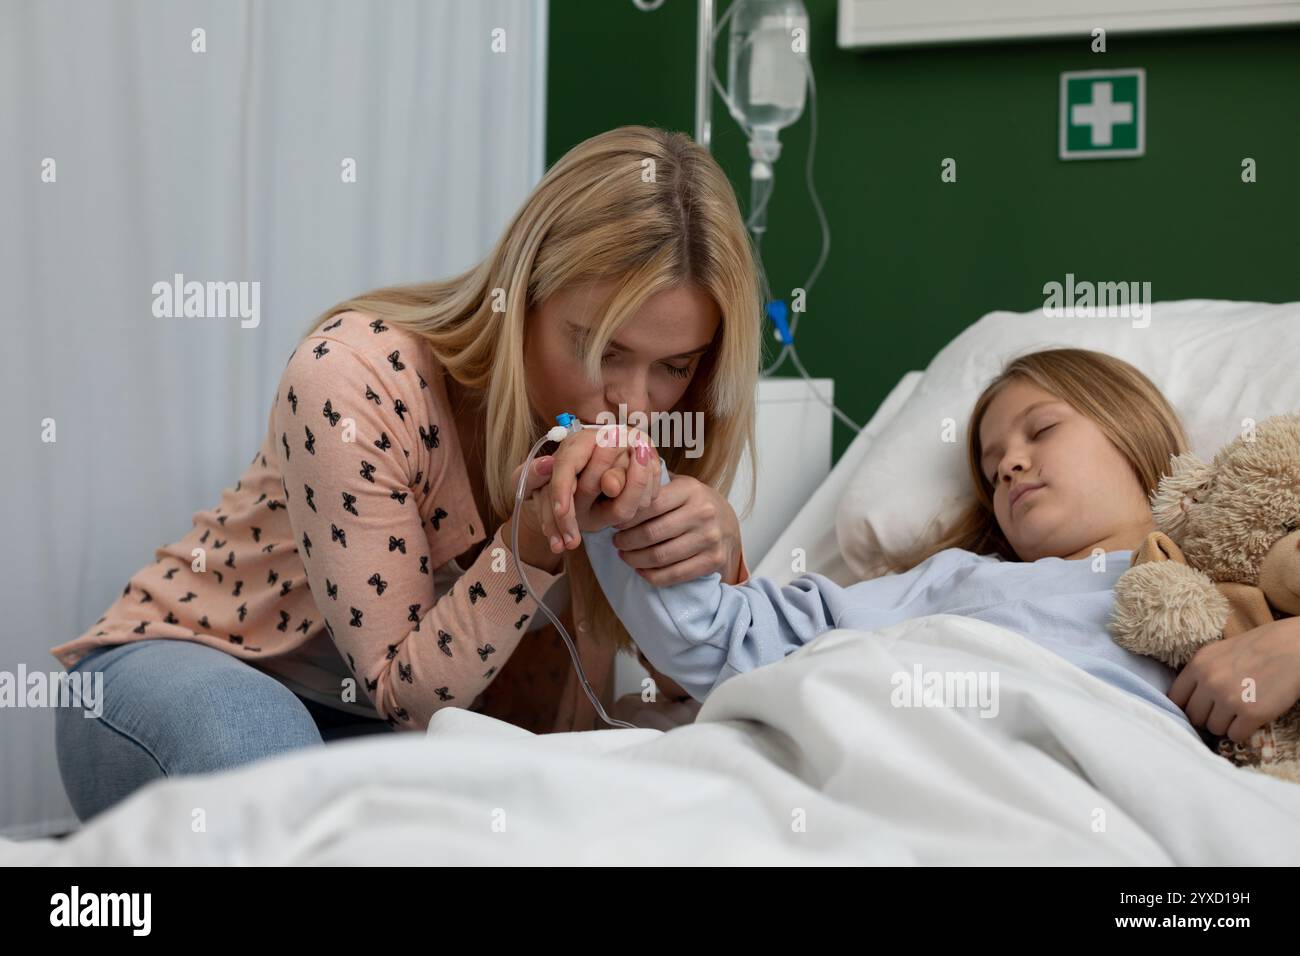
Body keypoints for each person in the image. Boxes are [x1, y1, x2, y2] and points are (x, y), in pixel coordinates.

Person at [52, 125, 765, 822]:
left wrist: (712, 559)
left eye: (673, 367)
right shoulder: (355, 379)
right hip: (208, 671)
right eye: (604, 347)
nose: (633, 401)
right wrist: (530, 542)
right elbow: (406, 699)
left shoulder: (658, 430)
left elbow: (694, 691)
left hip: (385, 745)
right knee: (273, 771)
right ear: (524, 295)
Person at [574, 347, 1300, 745]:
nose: (1010, 463)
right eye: (990, 466)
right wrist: (638, 500)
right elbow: (734, 642)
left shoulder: (1242, 573)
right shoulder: (951, 581)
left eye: (1041, 431)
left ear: (1134, 431)